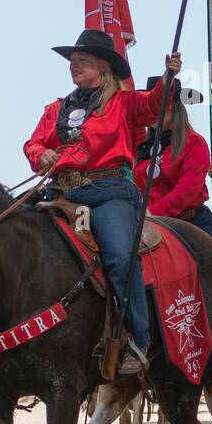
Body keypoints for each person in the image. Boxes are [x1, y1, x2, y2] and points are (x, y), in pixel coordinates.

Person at [24, 28, 180, 375]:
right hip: (62, 194)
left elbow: (155, 105)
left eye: (82, 61)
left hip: (110, 193)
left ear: (103, 67)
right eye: (72, 61)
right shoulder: (56, 109)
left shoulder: (124, 104)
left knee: (121, 257)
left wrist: (168, 77)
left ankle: (138, 340)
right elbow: (32, 143)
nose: (73, 66)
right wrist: (43, 153)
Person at [133, 76, 212, 242]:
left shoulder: (194, 143)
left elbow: (186, 191)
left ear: (174, 107)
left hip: (191, 223)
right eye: (150, 104)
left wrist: (151, 213)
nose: (154, 110)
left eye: (160, 104)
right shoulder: (143, 148)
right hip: (147, 223)